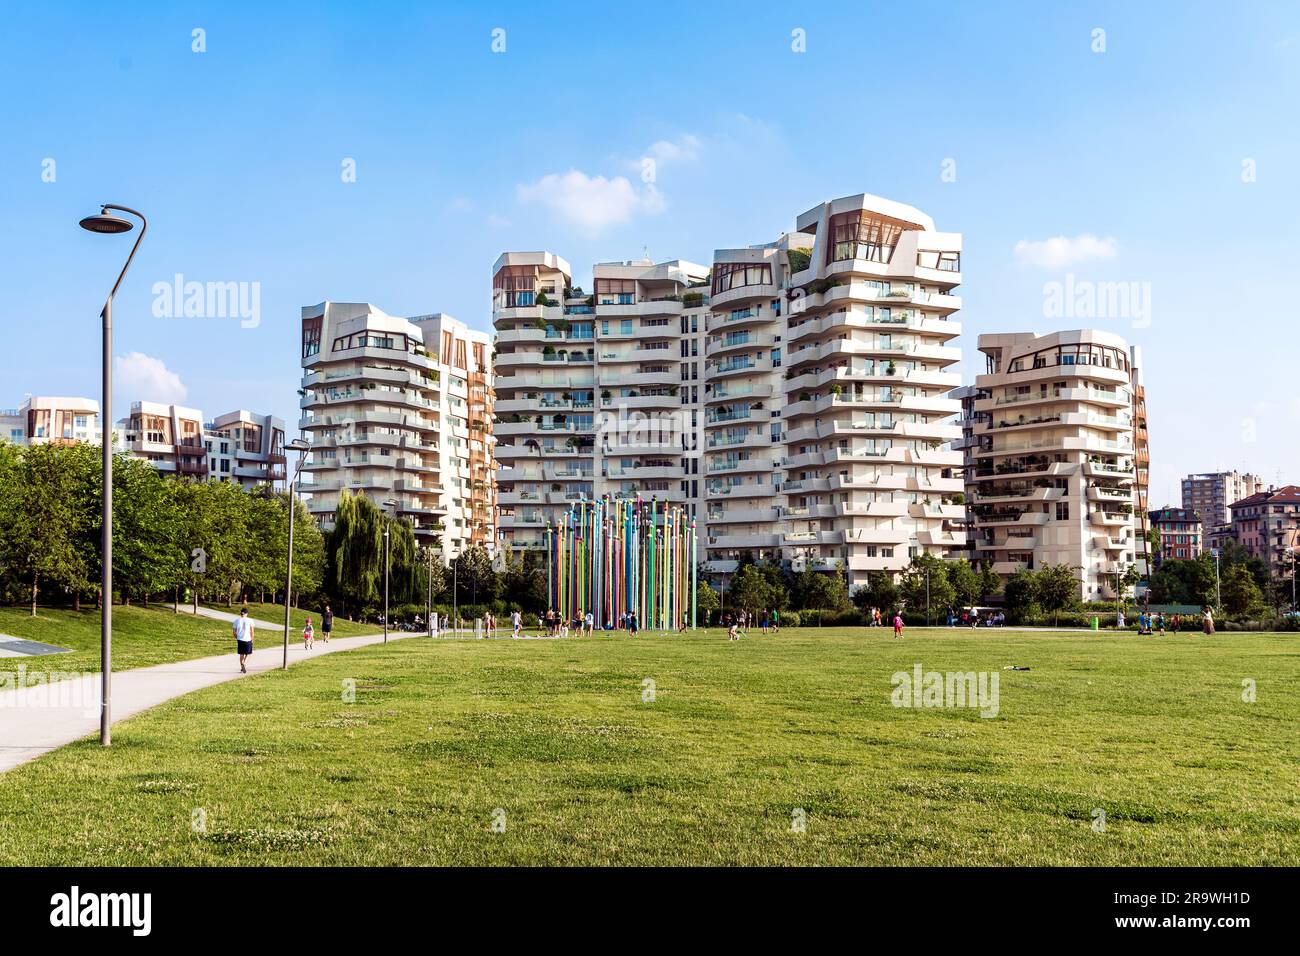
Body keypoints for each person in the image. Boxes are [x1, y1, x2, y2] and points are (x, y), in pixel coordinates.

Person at [233, 607, 255, 673]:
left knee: (241, 654)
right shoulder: (250, 620)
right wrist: (252, 639)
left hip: (240, 639)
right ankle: (244, 663)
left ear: (241, 613)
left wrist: (237, 637)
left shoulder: (236, 621)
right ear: (247, 614)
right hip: (248, 639)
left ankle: (242, 667)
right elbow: (252, 631)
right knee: (249, 653)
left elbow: (234, 632)